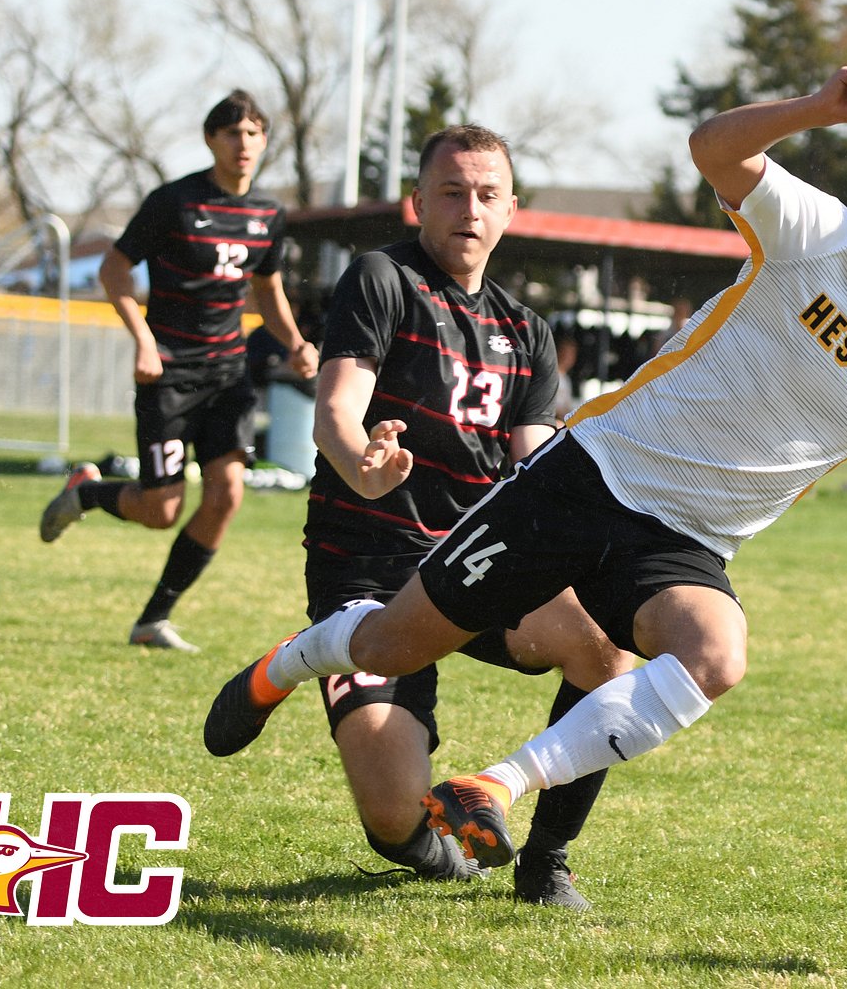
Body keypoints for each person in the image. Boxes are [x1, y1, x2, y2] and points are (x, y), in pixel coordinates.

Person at [203, 65, 847, 873]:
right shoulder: (818, 241)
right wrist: (816, 110)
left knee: (715, 657)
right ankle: (285, 664)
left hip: (685, 543)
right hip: (589, 477)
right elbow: (713, 148)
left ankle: (499, 789)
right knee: (389, 638)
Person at [268, 124, 633, 904]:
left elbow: (533, 466)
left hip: (474, 559)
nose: (470, 208)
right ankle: (434, 843)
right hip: (365, 565)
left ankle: (547, 860)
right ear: (418, 204)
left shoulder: (526, 332)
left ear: (510, 211)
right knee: (394, 818)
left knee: (603, 647)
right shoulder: (381, 279)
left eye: (487, 195)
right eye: (452, 192)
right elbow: (336, 410)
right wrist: (362, 465)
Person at [39, 91, 317, 653]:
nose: (244, 144)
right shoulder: (174, 202)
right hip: (166, 373)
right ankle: (88, 493)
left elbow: (267, 289)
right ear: (211, 139)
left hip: (227, 374)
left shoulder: (268, 214)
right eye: (233, 133)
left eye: (254, 133)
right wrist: (142, 339)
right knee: (160, 511)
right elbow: (114, 271)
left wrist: (295, 343)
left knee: (226, 495)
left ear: (265, 142)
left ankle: (153, 620)